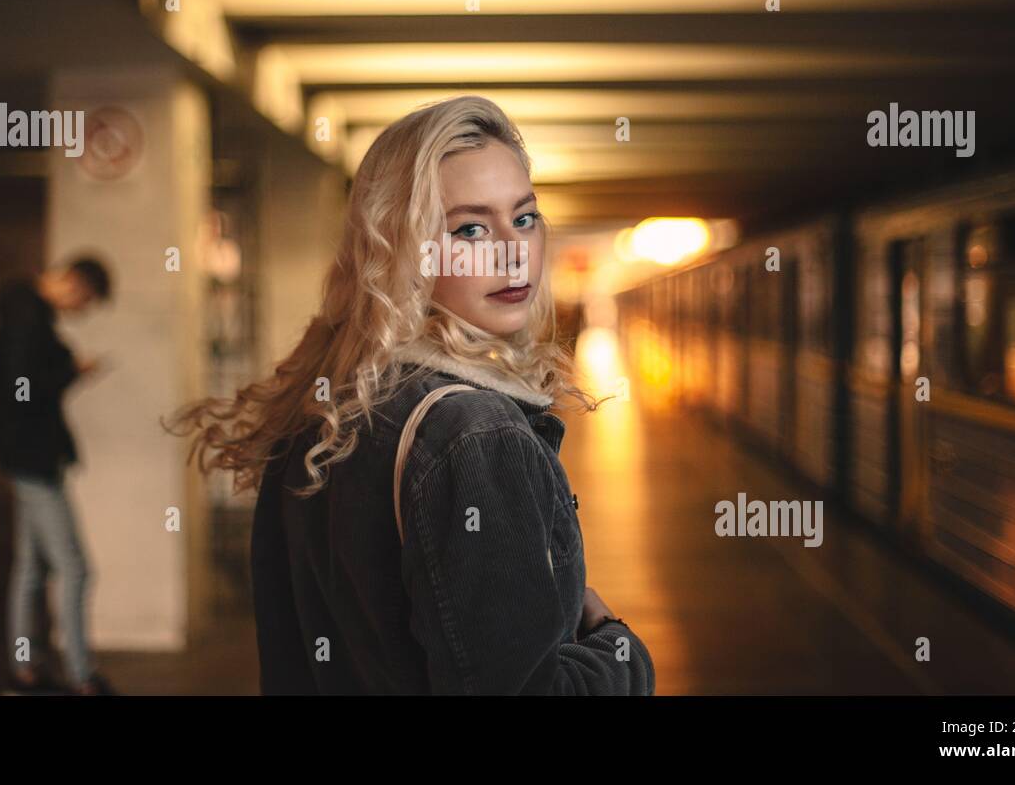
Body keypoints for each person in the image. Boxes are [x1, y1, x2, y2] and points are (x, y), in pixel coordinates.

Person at [173, 95, 655, 694]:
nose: (513, 250)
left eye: (524, 218)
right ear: (405, 248)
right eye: (470, 228)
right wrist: (616, 646)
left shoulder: (322, 405)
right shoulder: (479, 437)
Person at [0, 254, 118, 696]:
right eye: (85, 301)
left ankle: (24, 671)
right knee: (76, 570)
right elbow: (22, 390)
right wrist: (70, 371)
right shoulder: (27, 317)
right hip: (33, 459)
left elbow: (12, 385)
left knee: (30, 568)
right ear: (74, 284)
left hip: (25, 456)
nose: (79, 311)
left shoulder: (23, 312)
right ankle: (82, 677)